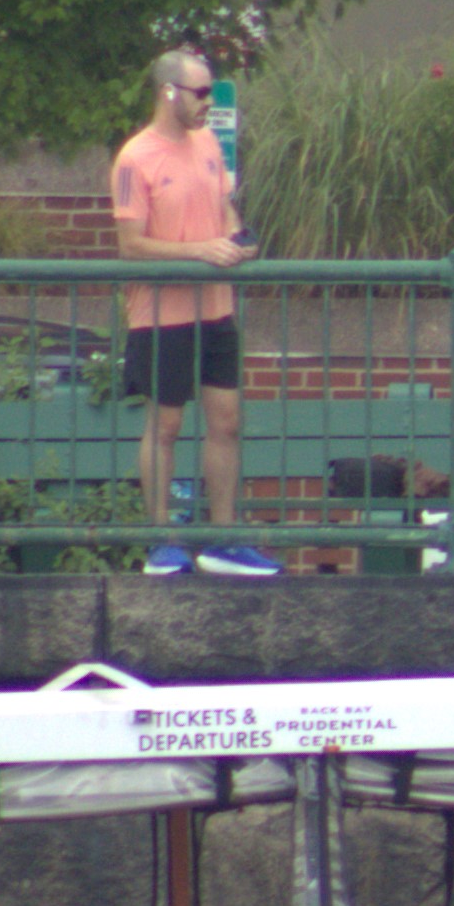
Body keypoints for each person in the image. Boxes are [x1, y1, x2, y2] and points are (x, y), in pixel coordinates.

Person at [109, 46, 273, 580]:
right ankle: (162, 540)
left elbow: (224, 206)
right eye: (201, 92)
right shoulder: (135, 158)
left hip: (215, 308)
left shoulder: (207, 144)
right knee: (167, 424)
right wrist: (201, 251)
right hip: (161, 314)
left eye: (211, 91)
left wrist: (235, 239)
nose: (209, 101)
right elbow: (131, 245)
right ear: (169, 93)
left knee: (226, 420)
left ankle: (223, 539)